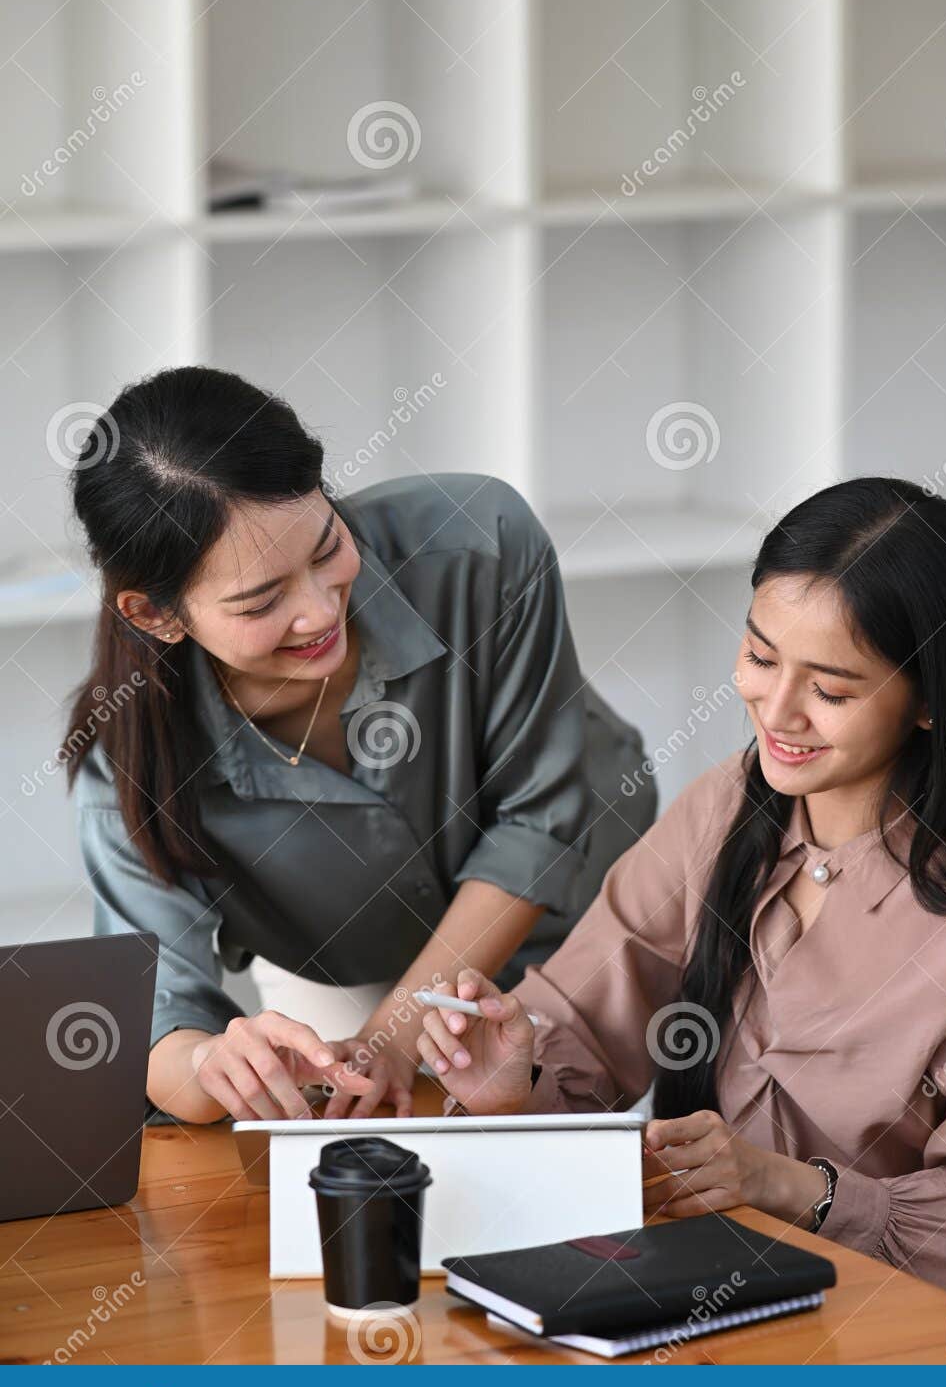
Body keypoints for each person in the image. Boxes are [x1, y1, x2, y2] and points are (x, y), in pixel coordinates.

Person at [418, 477, 946, 1318]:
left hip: (891, 1343)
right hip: (697, 1300)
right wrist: (511, 1078)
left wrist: (799, 1190)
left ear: (930, 703)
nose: (777, 710)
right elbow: (580, 1020)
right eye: (761, 657)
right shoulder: (722, 810)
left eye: (831, 690)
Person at [66, 366, 656, 1126]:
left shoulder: (478, 542)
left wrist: (393, 1037)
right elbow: (160, 1020)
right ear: (155, 615)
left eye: (325, 548)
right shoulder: (125, 762)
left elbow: (539, 823)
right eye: (261, 600)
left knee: (603, 1175)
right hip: (360, 978)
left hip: (594, 922)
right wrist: (214, 1063)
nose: (318, 612)